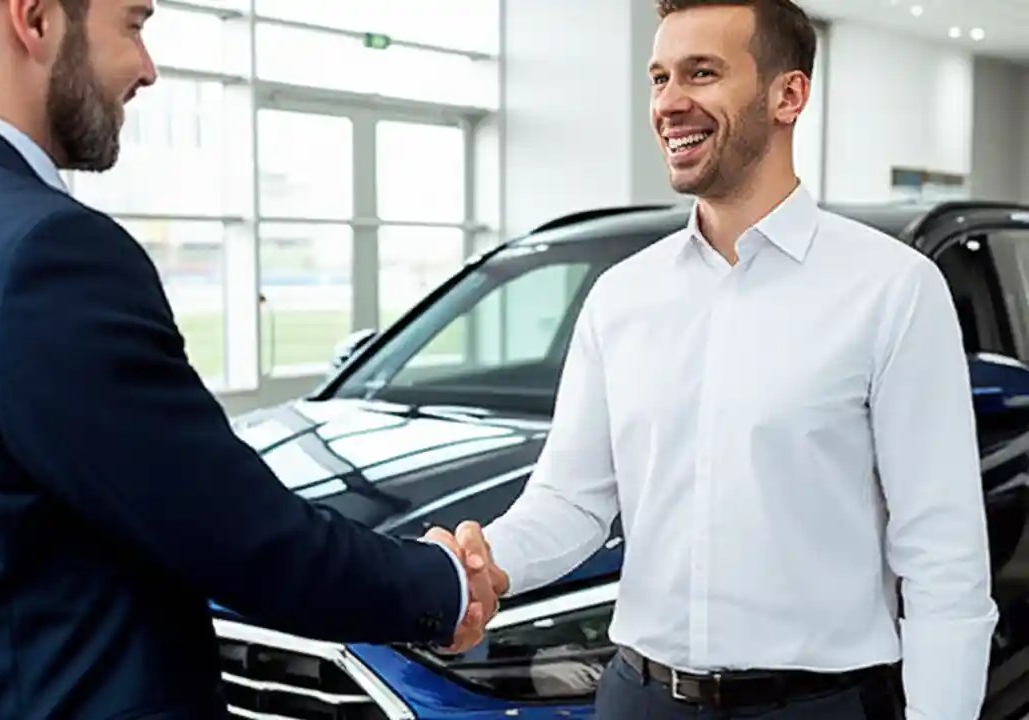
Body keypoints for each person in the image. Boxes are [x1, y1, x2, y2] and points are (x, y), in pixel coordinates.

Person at [0, 0, 497, 717]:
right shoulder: (45, 254)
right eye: (134, 24)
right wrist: (442, 584)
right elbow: (240, 535)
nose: (147, 70)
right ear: (36, 20)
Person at [428, 0, 999, 718]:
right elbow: (571, 503)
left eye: (701, 73)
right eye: (659, 77)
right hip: (640, 698)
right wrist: (481, 564)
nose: (670, 103)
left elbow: (942, 554)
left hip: (821, 706)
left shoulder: (892, 288)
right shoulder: (621, 298)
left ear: (788, 95)